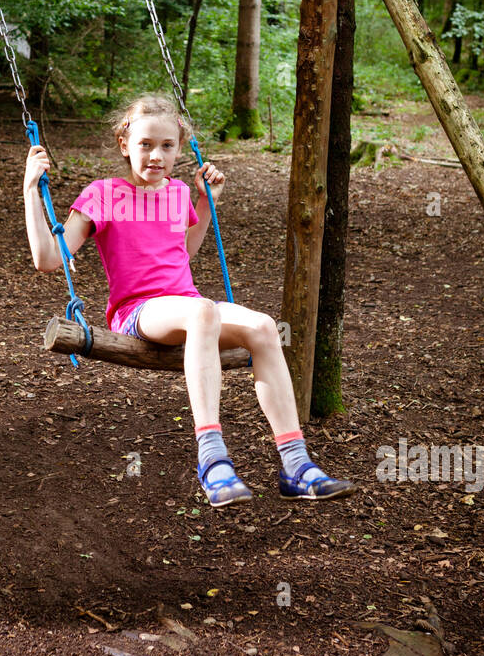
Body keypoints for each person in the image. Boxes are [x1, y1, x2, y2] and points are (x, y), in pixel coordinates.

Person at [23, 92, 357, 508]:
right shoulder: (103, 194)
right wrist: (30, 191)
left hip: (186, 307)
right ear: (125, 144)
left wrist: (206, 202)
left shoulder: (179, 193)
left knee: (264, 326)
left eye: (166, 146)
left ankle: (296, 465)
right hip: (137, 313)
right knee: (201, 311)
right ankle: (213, 461)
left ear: (180, 147)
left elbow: (180, 252)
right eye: (145, 145)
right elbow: (48, 259)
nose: (156, 156)